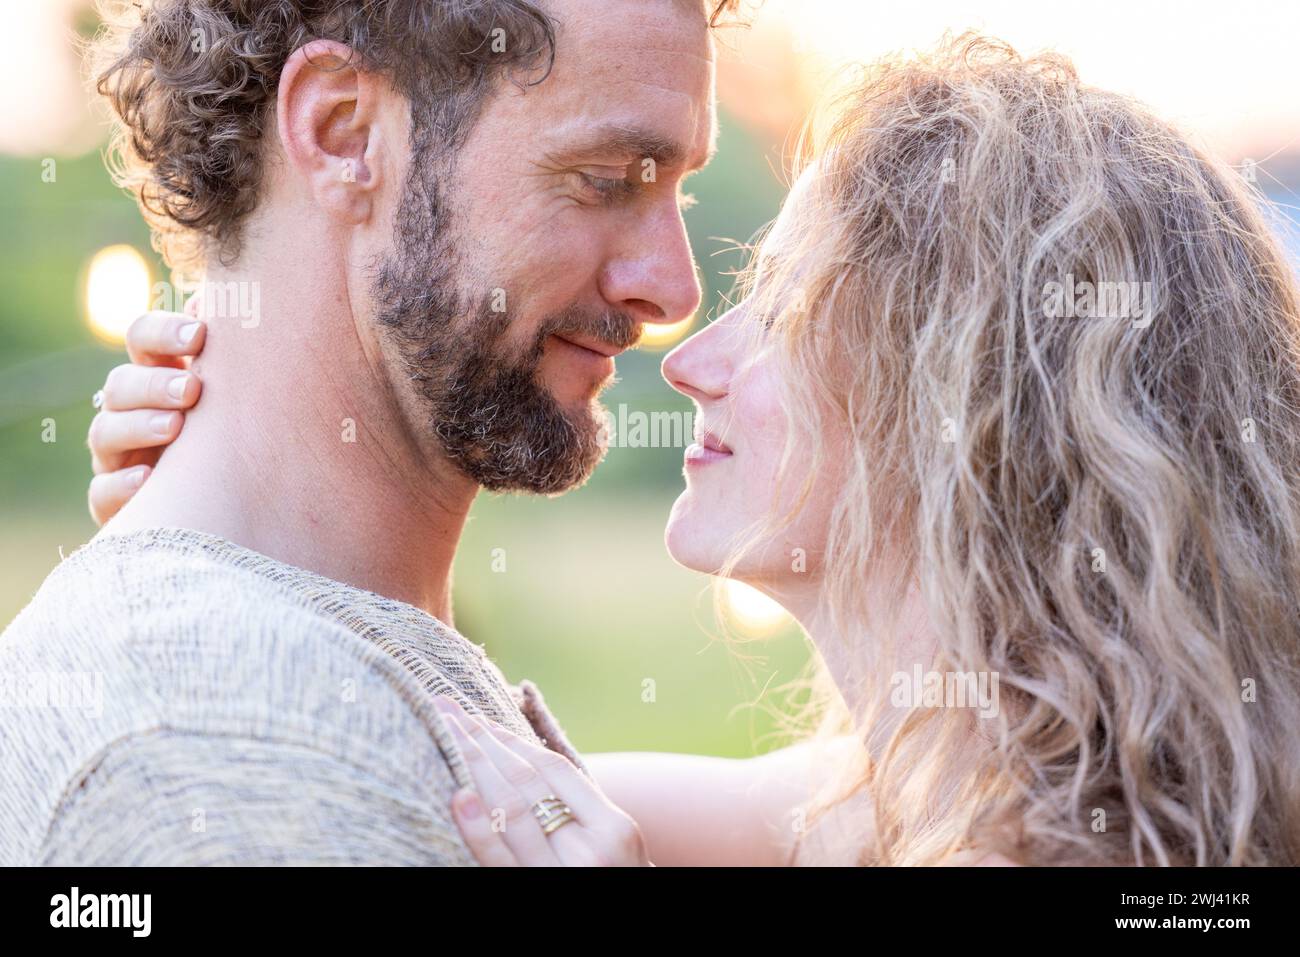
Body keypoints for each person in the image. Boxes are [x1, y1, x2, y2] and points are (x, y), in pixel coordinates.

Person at [90, 35, 1300, 867]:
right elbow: (430, 787)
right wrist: (219, 494)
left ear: (969, 410)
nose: (688, 355)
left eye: (778, 308)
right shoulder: (902, 803)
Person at [0, 0, 739, 866]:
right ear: (344, 131)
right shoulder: (234, 754)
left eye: (675, 187)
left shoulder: (315, 703)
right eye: (607, 178)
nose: (675, 290)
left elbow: (865, 805)